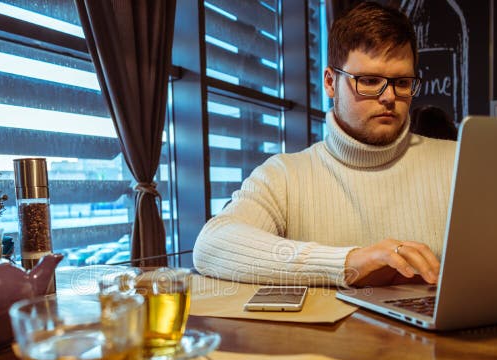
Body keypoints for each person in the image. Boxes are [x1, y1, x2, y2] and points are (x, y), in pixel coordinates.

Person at [193, 2, 456, 287]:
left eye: (402, 82)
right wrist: (347, 263)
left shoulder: (459, 163)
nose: (389, 97)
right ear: (330, 82)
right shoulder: (286, 175)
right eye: (369, 80)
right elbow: (212, 244)